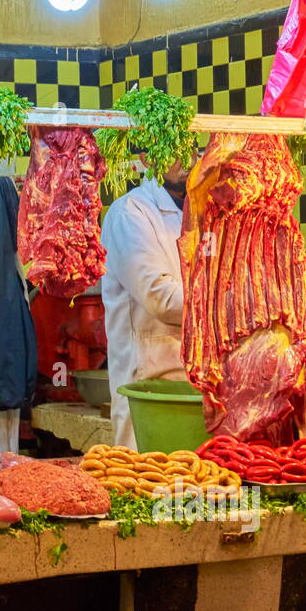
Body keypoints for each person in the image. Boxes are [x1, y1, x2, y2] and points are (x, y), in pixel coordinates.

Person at [100, 152, 198, 448]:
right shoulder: (131, 213)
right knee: (149, 483)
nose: (188, 159)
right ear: (147, 157)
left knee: (197, 485)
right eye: (176, 151)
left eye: (193, 149)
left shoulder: (204, 212)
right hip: (148, 379)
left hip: (199, 380)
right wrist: (231, 305)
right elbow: (161, 298)